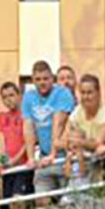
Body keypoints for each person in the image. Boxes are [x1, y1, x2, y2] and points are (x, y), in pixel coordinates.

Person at [21, 61, 78, 201]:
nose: (42, 82)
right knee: (41, 200)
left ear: (52, 79)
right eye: (38, 79)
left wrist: (53, 154)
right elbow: (28, 126)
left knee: (67, 202)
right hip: (44, 156)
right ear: (33, 80)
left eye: (46, 79)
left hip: (65, 155)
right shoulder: (29, 96)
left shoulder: (62, 93)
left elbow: (58, 123)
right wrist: (31, 157)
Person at [0, 81, 33, 207]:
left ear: (19, 95)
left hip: (22, 166)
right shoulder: (1, 116)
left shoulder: (26, 114)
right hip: (8, 167)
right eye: (4, 97)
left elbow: (28, 142)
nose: (8, 100)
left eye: (11, 95)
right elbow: (0, 142)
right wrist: (3, 161)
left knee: (18, 202)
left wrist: (14, 160)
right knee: (6, 203)